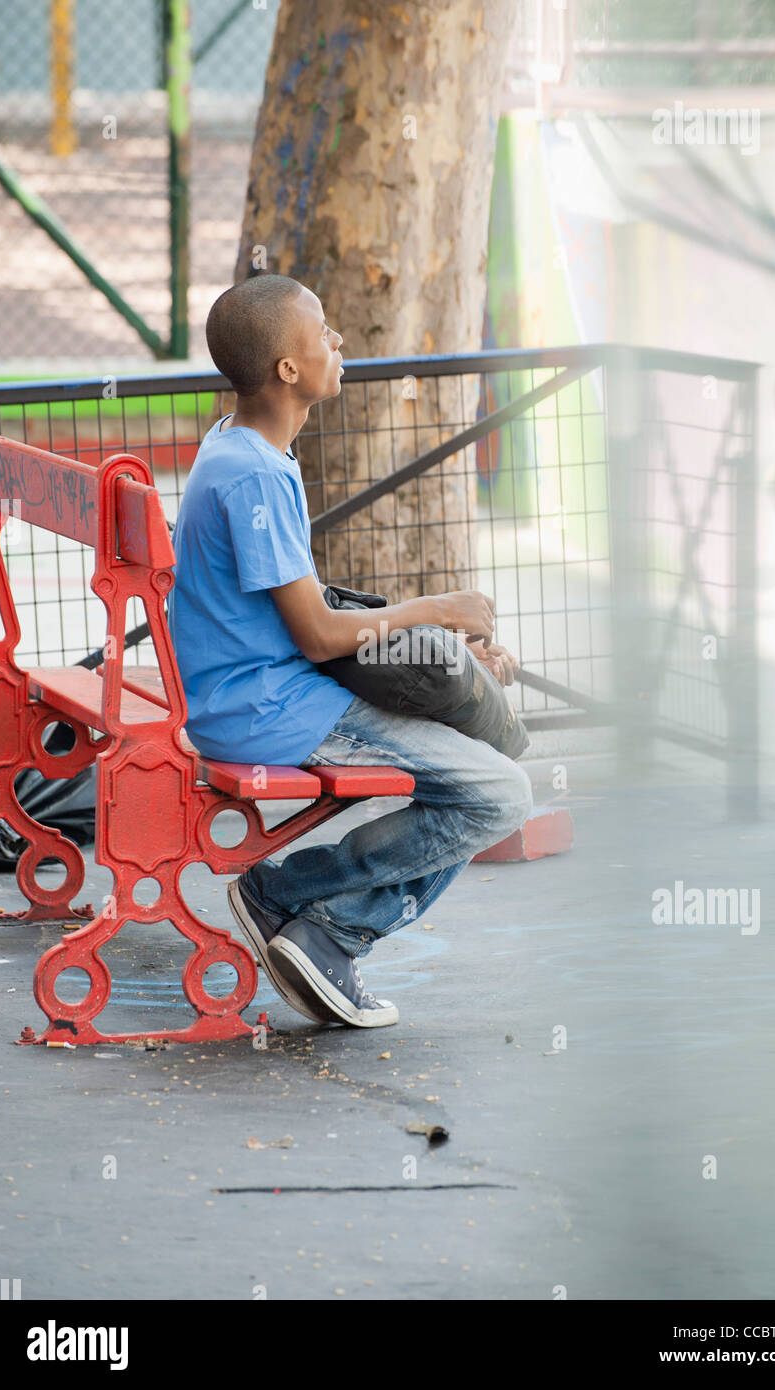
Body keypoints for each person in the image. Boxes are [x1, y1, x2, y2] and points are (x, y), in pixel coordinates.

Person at [167, 274, 534, 1030]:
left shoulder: (238, 448)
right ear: (287, 370)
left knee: (481, 763)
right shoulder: (254, 475)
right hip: (265, 710)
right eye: (323, 328)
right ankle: (313, 915)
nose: (338, 340)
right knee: (499, 794)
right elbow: (318, 635)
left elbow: (311, 618)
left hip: (261, 694)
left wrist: (443, 651)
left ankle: (312, 919)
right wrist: (438, 607)